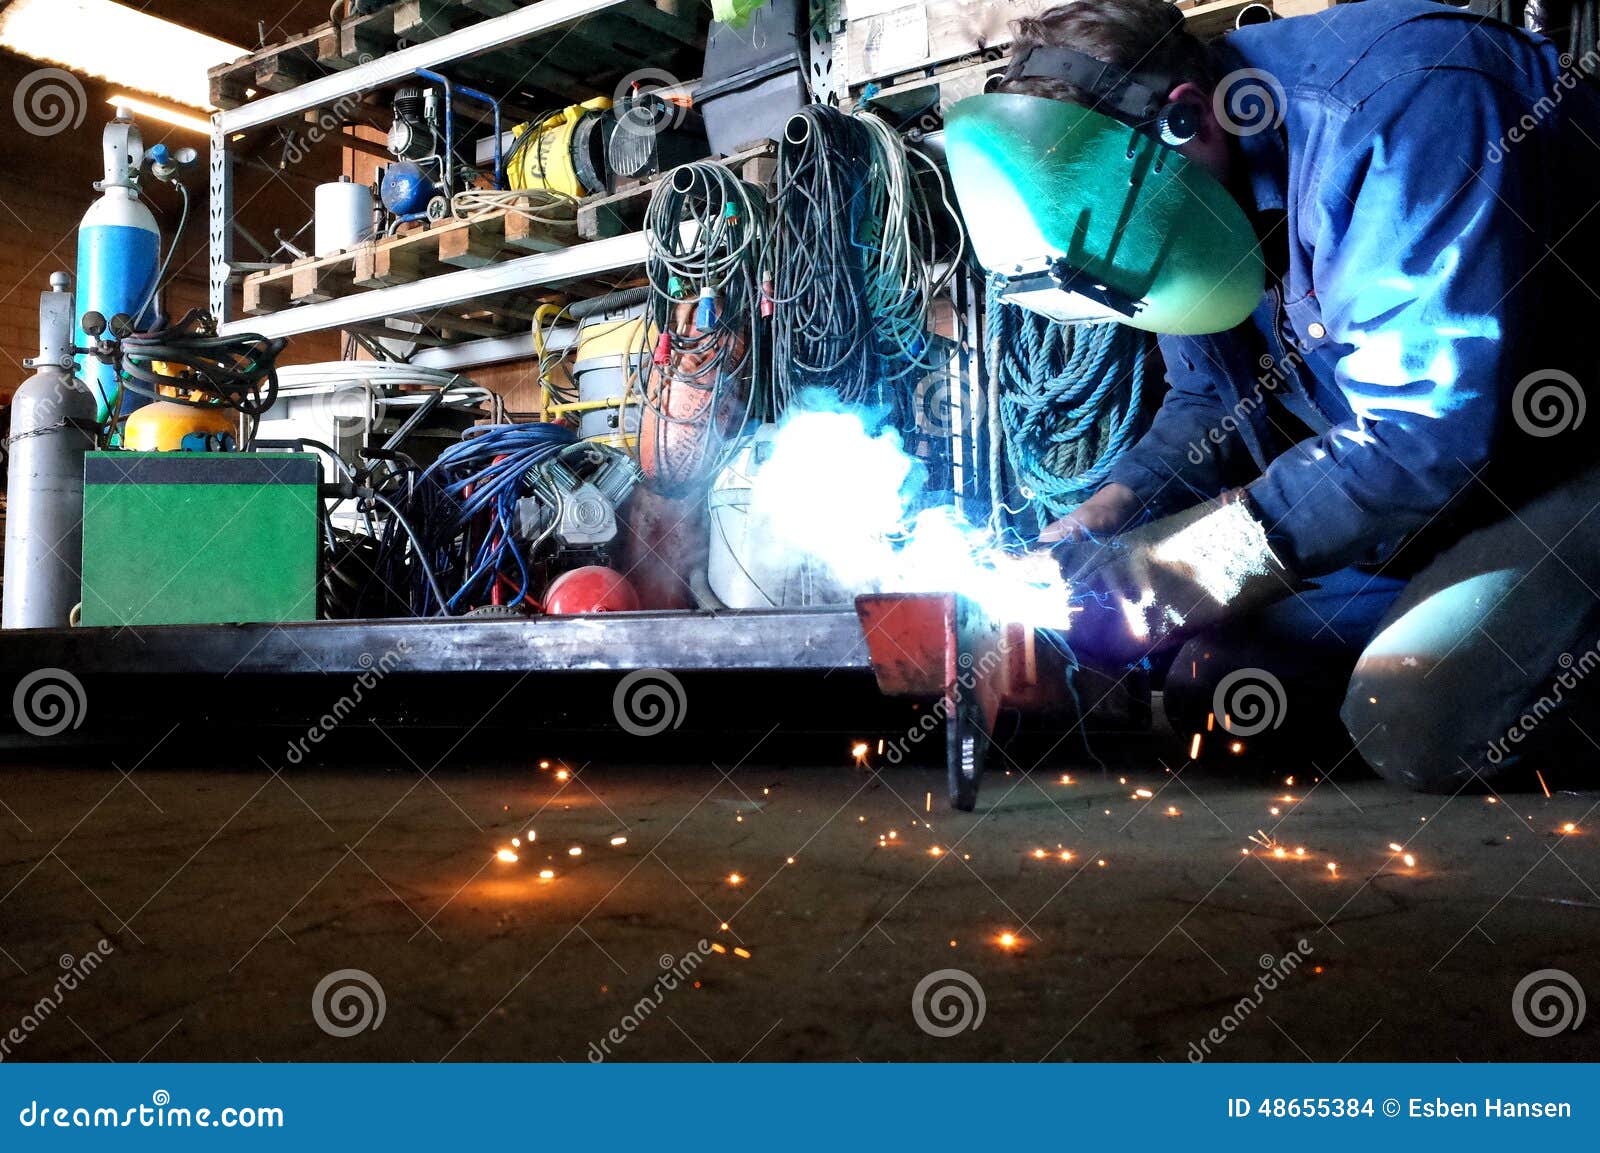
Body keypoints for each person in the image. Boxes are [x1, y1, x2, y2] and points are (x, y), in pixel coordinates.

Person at [967, 0, 1600, 789]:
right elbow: (1206, 402)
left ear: (1187, 119)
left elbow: (1419, 436)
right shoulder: (1175, 176)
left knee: (1416, 717)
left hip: (1565, 464)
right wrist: (1107, 512)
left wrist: (1162, 575)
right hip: (1441, 496)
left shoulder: (1401, 106)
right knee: (1217, 687)